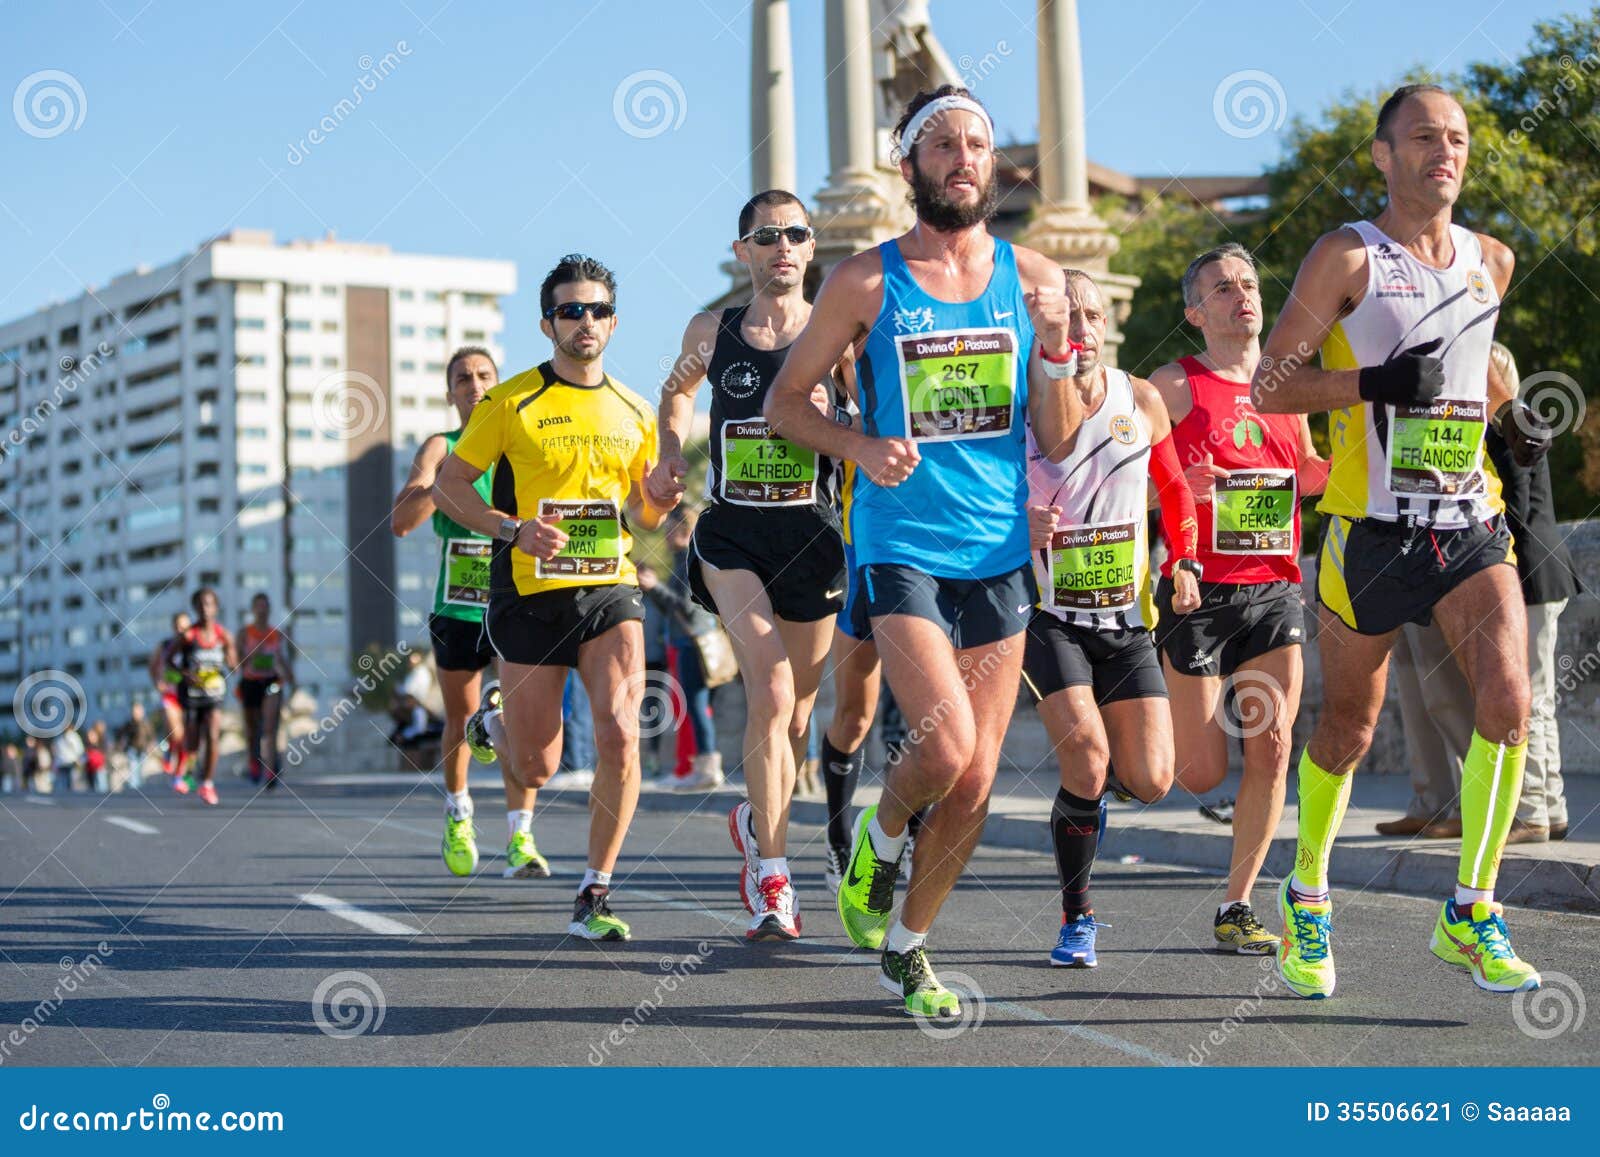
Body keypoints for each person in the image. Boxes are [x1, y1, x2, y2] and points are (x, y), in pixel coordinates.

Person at [765, 85, 1086, 1017]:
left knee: (977, 775)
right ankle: (882, 829)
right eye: (942, 144)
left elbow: (1059, 437)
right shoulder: (864, 282)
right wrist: (859, 447)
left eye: (977, 143)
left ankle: (907, 947)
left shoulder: (1032, 278)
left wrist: (1056, 351)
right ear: (907, 165)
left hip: (997, 549)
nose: (964, 158)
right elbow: (785, 404)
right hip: (901, 540)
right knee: (943, 746)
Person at [1254, 84, 1554, 997]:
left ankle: (1471, 908)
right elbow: (1270, 385)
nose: (1445, 152)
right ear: (1384, 156)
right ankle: (1308, 892)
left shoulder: (1492, 260)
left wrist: (1511, 422)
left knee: (1509, 699)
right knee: (1348, 725)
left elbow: (1473, 374)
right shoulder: (1346, 255)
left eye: (1456, 138)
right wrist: (1372, 384)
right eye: (1424, 136)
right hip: (1371, 529)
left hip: (1468, 520)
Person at [434, 253, 672, 941]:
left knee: (620, 735)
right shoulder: (509, 402)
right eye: (571, 310)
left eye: (598, 309)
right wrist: (513, 529)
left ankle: (594, 890)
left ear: (614, 322)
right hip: (529, 593)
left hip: (609, 587)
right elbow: (450, 486)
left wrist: (658, 500)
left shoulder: (635, 409)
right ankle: (492, 726)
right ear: (548, 324)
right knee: (537, 764)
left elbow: (643, 514)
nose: (585, 321)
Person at [646, 189, 848, 940]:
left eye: (795, 233)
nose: (782, 247)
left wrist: (839, 417)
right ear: (743, 252)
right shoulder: (714, 330)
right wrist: (670, 451)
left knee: (794, 714)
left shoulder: (837, 332)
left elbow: (873, 419)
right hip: (732, 535)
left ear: (811, 246)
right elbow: (676, 390)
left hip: (813, 539)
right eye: (766, 236)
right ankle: (774, 876)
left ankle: (756, 818)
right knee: (769, 685)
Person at [1148, 243, 1329, 953]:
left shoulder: (1287, 383)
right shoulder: (1173, 385)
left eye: (1249, 283)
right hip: (1196, 591)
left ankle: (1238, 904)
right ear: (1196, 313)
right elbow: (1119, 471)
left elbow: (1304, 472)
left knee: (1273, 748)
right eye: (1222, 288)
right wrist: (1174, 487)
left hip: (1274, 588)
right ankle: (1131, 749)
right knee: (1201, 772)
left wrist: (1360, 459)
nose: (1242, 295)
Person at [1023, 269, 1202, 968]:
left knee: (1153, 779)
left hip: (1126, 618)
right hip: (1048, 615)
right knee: (1088, 759)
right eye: (1068, 317)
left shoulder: (1142, 398)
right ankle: (1078, 916)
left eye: (1093, 316)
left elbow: (1174, 488)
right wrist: (1019, 521)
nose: (1083, 329)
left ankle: (1087, 798)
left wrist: (1183, 560)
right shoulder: (1024, 401)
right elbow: (980, 487)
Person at [1376, 342, 1581, 844]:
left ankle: (1532, 811)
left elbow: (1515, 507)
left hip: (1528, 573)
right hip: (1513, 572)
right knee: (1520, 694)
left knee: (1530, 696)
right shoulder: (1482, 426)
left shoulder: (1513, 424)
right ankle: (1541, 808)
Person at [394, 345, 536, 878]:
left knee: (519, 715)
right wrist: (444, 481)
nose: (474, 386)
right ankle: (458, 814)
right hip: (456, 605)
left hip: (514, 597)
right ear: (450, 392)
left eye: (483, 376)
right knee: (461, 714)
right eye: (462, 378)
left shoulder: (517, 440)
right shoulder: (441, 446)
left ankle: (521, 836)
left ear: (498, 384)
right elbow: (401, 522)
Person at [646, 506, 723, 791]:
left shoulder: (690, 560)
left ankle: (706, 768)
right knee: (693, 706)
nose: (666, 535)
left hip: (693, 642)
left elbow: (687, 607)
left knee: (697, 706)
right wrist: (654, 589)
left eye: (671, 529)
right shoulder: (683, 559)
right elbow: (671, 608)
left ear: (685, 530)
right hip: (686, 641)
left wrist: (655, 586)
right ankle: (699, 767)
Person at [172, 587, 237, 806]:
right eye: (200, 605)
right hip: (192, 694)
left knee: (212, 734)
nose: (205, 609)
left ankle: (207, 783)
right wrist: (186, 674)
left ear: (216, 607)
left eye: (209, 604)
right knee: (193, 739)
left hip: (214, 693)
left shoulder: (223, 635)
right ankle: (188, 773)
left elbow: (234, 663)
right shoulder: (188, 635)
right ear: (195, 608)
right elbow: (169, 659)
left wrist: (232, 661)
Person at [237, 592, 294, 790]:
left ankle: (271, 771)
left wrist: (291, 677)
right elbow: (237, 662)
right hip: (250, 682)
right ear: (253, 609)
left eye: (265, 606)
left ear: (269, 609)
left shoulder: (276, 634)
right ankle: (254, 762)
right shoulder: (244, 633)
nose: (262, 610)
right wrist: (252, 656)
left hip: (271, 681)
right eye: (258, 606)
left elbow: (280, 657)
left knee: (270, 728)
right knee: (253, 730)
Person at [149, 612, 191, 779]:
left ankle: (181, 768)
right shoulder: (165, 645)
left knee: (185, 735)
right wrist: (157, 683)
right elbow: (153, 666)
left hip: (188, 694)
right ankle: (170, 750)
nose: (182, 630)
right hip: (170, 694)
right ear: (173, 627)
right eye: (178, 626)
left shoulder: (192, 645)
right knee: (176, 731)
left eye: (185, 626)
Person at [114, 701, 158, 791]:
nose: (136, 713)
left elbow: (151, 736)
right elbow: (121, 734)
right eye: (134, 711)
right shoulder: (129, 723)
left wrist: (151, 745)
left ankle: (141, 786)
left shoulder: (146, 724)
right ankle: (134, 787)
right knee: (133, 767)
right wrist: (120, 744)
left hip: (143, 750)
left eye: (138, 711)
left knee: (141, 769)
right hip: (132, 749)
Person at [53, 724, 84, 794]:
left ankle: (71, 796)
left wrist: (79, 760)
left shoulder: (74, 737)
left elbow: (80, 750)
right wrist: (55, 764)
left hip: (71, 763)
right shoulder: (59, 738)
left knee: (72, 782)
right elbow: (56, 752)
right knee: (63, 783)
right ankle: (65, 796)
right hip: (61, 764)